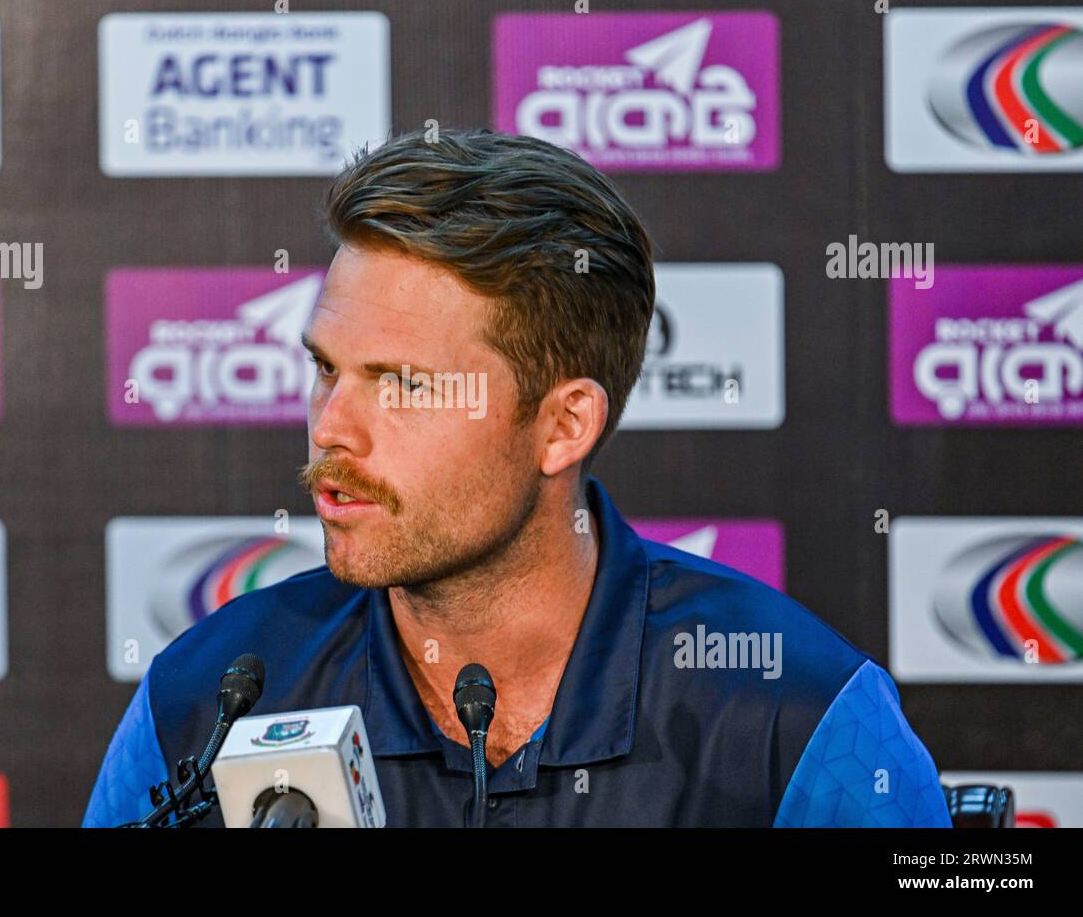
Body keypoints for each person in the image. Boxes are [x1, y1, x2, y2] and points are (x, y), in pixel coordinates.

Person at [84, 128, 950, 827]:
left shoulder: (792, 717)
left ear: (563, 425)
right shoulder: (208, 699)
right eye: (326, 370)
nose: (330, 428)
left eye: (404, 385)